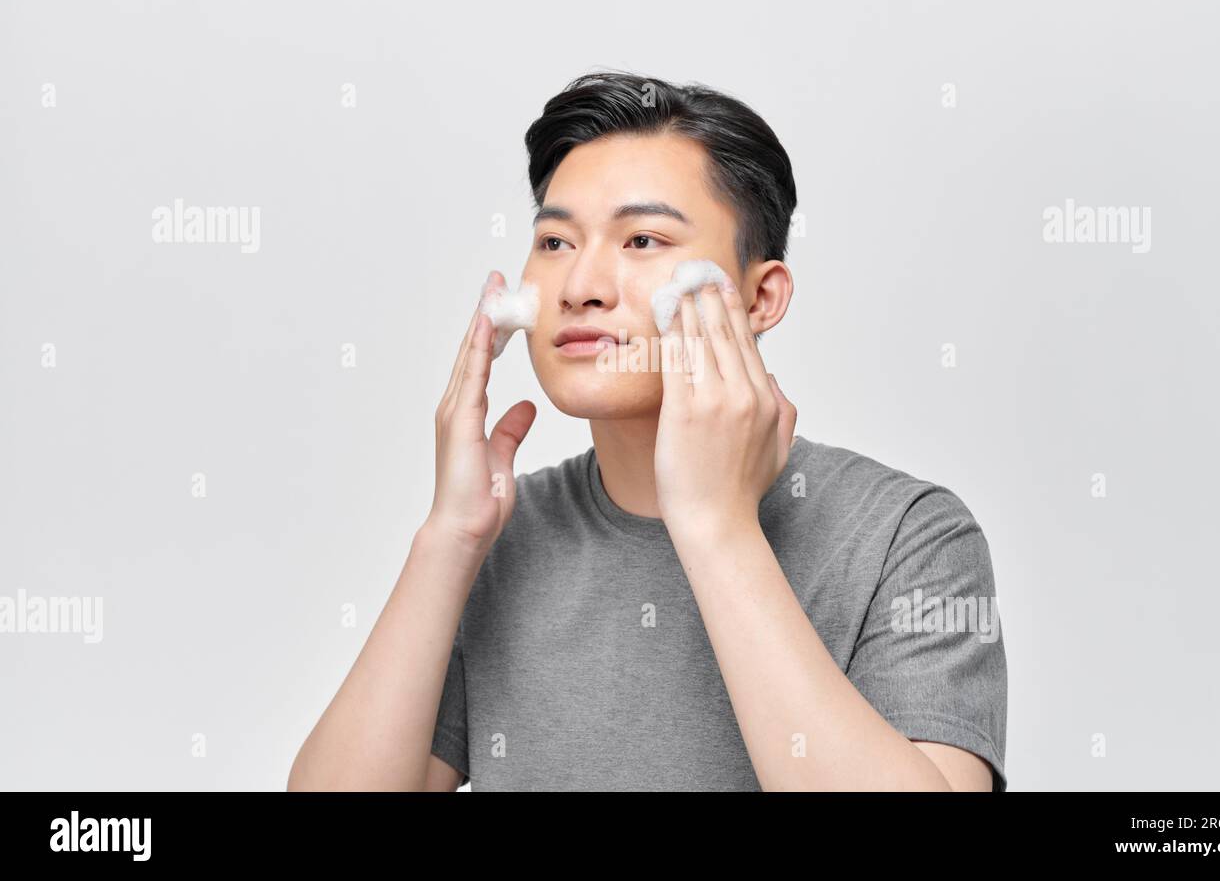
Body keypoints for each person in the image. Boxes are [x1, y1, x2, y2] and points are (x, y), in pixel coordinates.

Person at [288, 71, 1007, 792]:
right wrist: (448, 541)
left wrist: (717, 527)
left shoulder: (907, 536)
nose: (580, 287)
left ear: (760, 297)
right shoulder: (501, 536)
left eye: (641, 239)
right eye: (556, 241)